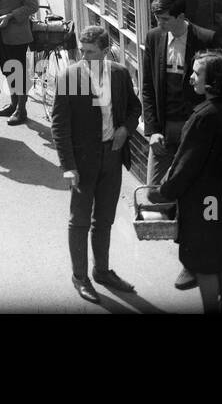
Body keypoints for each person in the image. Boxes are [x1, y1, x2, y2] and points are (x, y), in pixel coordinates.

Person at [50, 25, 142, 304]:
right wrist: (68, 166)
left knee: (104, 220)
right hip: (82, 162)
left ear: (105, 52)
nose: (83, 56)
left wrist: (126, 128)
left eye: (90, 52)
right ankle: (80, 277)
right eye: (81, 50)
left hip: (111, 158)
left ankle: (101, 271)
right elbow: (59, 125)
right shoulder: (70, 76)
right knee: (78, 221)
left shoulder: (119, 74)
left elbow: (134, 108)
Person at [140, 0, 222, 290]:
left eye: (163, 19)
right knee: (155, 193)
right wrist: (152, 130)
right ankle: (191, 237)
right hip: (166, 129)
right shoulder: (153, 39)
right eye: (157, 19)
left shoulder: (206, 40)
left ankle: (190, 264)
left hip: (195, 132)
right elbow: (148, 88)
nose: (159, 24)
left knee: (189, 198)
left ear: (180, 17)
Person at [155, 49, 222, 314]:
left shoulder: (202, 117)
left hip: (202, 199)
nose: (191, 77)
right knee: (221, 254)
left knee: (204, 260)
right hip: (219, 195)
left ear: (212, 79)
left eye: (196, 73)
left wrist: (165, 191)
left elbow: (185, 164)